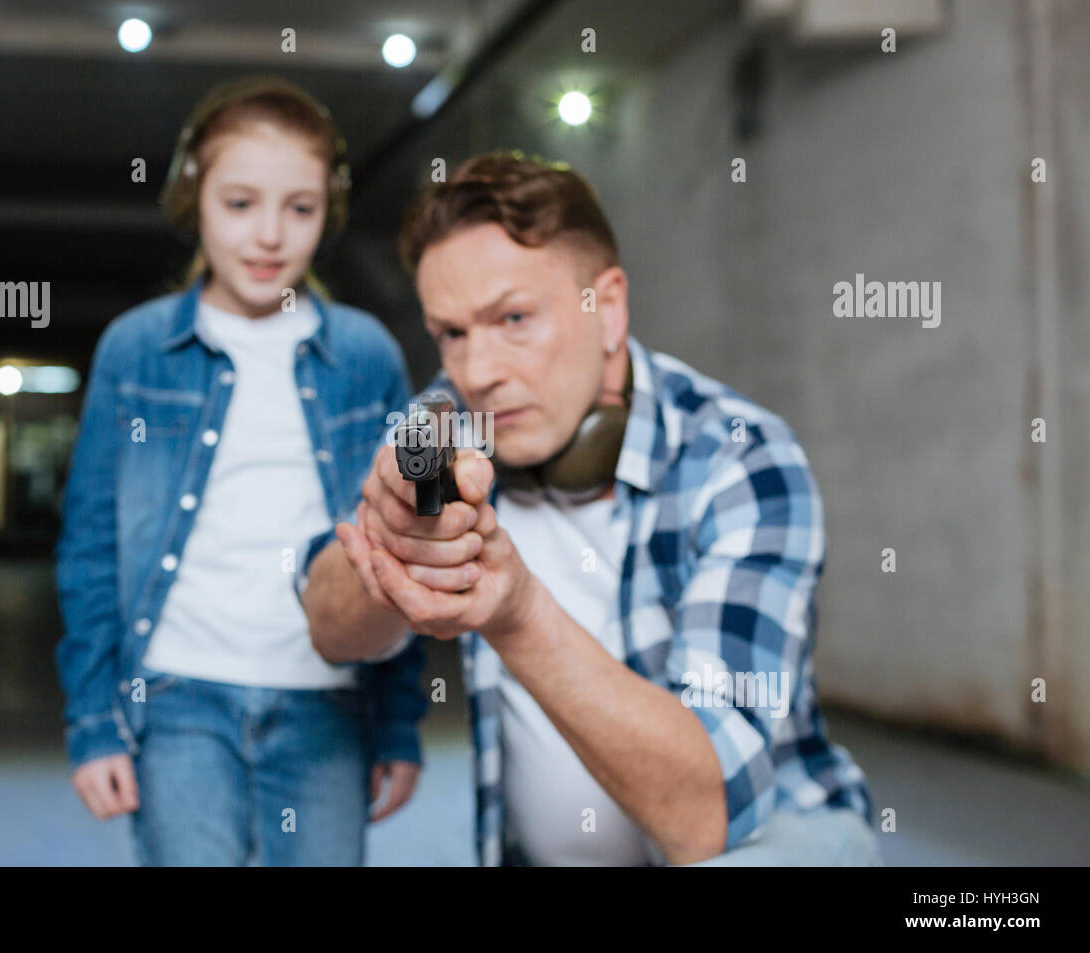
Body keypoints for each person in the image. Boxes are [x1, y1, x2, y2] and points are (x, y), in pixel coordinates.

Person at [298, 152, 880, 866]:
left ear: (606, 308)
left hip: (773, 839)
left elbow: (705, 819)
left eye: (513, 318)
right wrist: (393, 542)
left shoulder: (739, 456)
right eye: (451, 333)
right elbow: (326, 625)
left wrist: (517, 613)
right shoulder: (443, 420)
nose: (477, 371)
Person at [54, 76, 426, 866]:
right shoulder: (135, 349)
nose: (269, 235)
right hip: (178, 697)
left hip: (327, 702)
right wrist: (93, 723)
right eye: (240, 203)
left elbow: (403, 549)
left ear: (329, 211)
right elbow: (88, 544)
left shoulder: (369, 356)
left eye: (300, 207)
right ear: (194, 199)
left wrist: (397, 722)